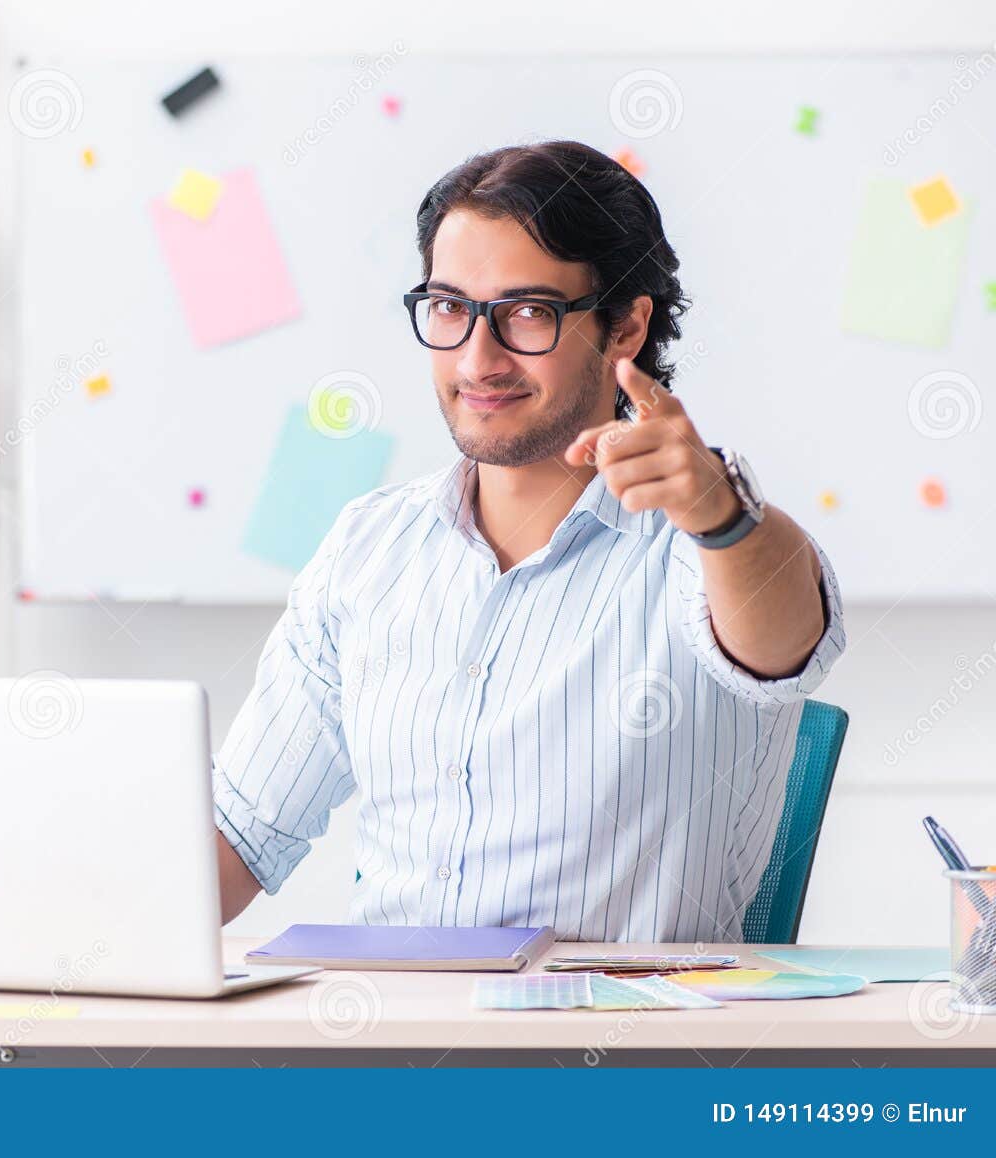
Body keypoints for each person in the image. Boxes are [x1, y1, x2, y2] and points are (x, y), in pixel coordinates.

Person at [212, 140, 844, 942]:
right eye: (450, 308)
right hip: (383, 1013)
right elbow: (241, 831)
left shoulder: (701, 544)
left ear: (625, 327)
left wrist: (724, 517)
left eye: (527, 313)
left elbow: (783, 640)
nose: (478, 360)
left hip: (609, 1022)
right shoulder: (368, 550)